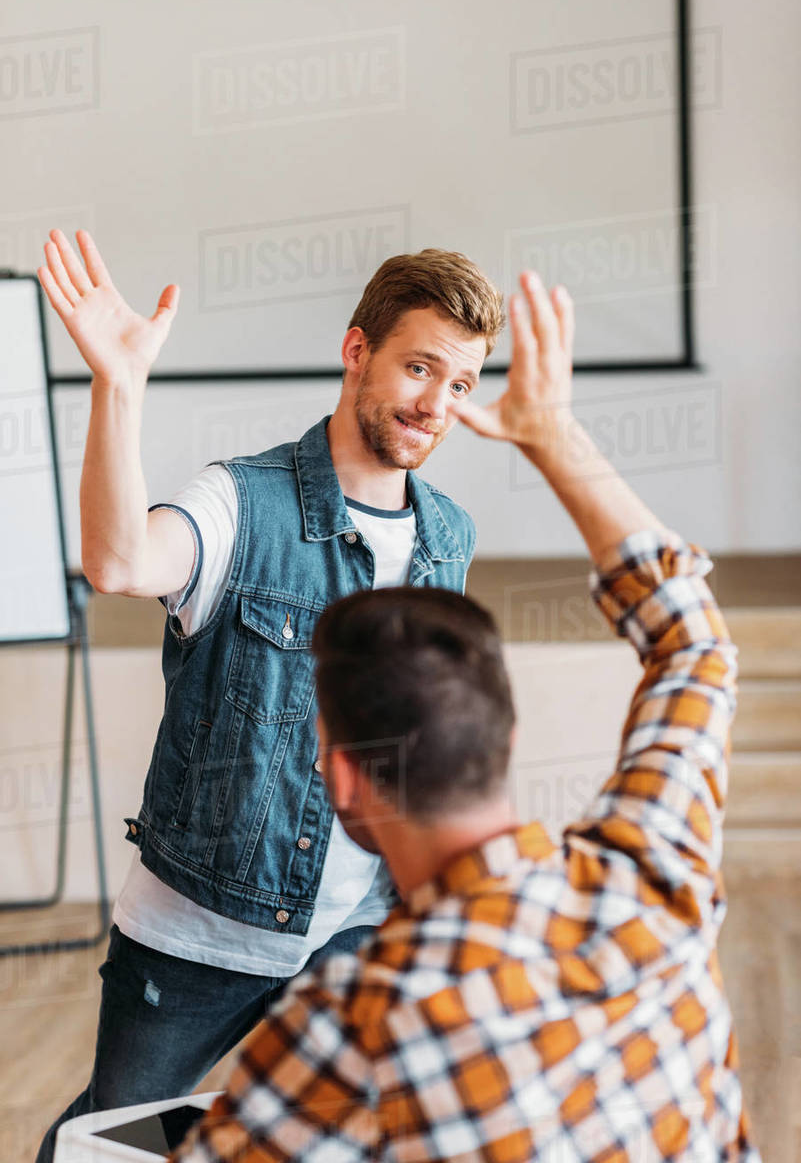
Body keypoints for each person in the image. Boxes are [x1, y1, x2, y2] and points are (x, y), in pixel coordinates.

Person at [168, 274, 761, 1161]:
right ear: (503, 738)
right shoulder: (653, 869)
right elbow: (695, 647)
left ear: (340, 779)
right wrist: (556, 441)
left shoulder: (354, 1026)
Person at [35, 232, 505, 1163]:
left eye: (457, 385)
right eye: (419, 368)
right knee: (114, 1144)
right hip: (196, 932)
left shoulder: (448, 534)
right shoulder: (238, 503)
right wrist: (118, 384)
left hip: (359, 928)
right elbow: (120, 560)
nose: (434, 405)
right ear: (356, 350)